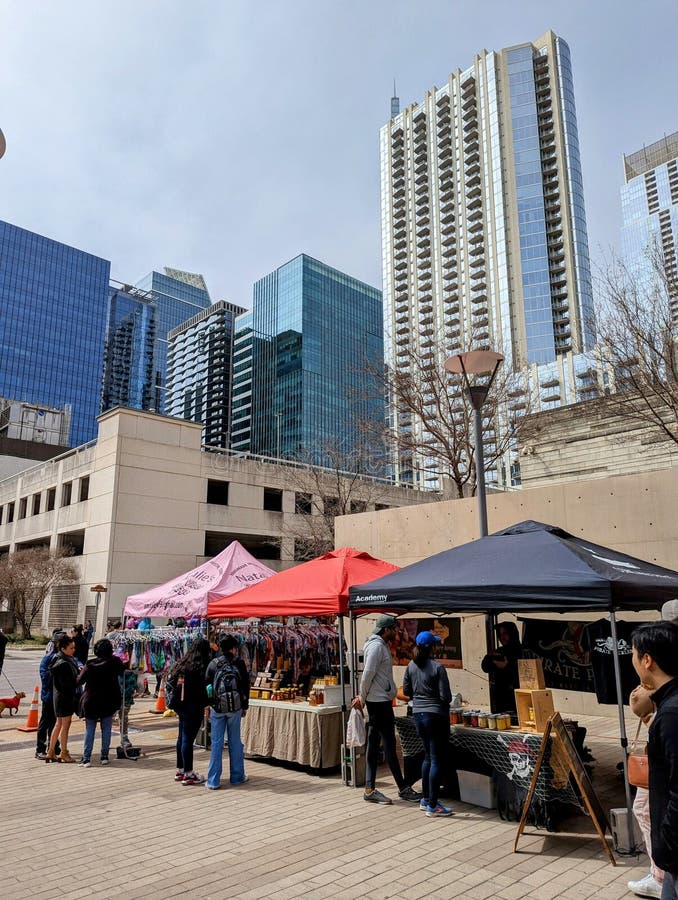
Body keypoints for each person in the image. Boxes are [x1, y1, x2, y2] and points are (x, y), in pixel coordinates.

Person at [352, 614, 422, 805]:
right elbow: (367, 674)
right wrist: (362, 697)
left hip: (379, 701)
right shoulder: (376, 646)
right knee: (389, 745)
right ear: (386, 630)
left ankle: (370, 788)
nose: (396, 631)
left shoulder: (378, 645)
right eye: (393, 628)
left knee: (375, 745)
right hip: (378, 703)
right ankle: (402, 788)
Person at [631, 620, 678, 900]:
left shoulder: (672, 714)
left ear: (647, 660)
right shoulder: (668, 703)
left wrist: (666, 846)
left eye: (634, 654)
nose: (633, 660)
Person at [402, 631, 454, 817]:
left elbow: (407, 691)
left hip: (418, 715)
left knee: (427, 757)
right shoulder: (437, 668)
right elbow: (446, 697)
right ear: (432, 647)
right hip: (436, 716)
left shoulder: (410, 666)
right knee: (436, 759)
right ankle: (433, 804)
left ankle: (425, 799)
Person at [205, 635, 250, 790]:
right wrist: (245, 706)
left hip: (217, 708)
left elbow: (208, 686)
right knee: (235, 741)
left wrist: (209, 704)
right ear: (233, 648)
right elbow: (245, 685)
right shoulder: (239, 663)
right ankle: (237, 777)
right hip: (235, 708)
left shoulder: (213, 664)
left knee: (216, 743)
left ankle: (213, 780)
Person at [168, 636, 212, 785]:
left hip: (181, 705)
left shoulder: (182, 663)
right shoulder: (202, 666)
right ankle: (188, 773)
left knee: (181, 737)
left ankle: (180, 770)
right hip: (194, 706)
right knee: (188, 738)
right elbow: (205, 688)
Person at [76, 638, 124, 767]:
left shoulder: (90, 664)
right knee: (106, 728)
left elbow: (79, 681)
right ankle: (104, 756)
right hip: (109, 699)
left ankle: (86, 758)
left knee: (90, 728)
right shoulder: (115, 662)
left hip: (91, 700)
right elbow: (123, 671)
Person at [46, 634, 80, 763]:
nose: (73, 650)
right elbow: (69, 683)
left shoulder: (57, 659)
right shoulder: (64, 663)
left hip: (58, 696)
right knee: (65, 725)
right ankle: (63, 753)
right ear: (64, 649)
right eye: (71, 648)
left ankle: (51, 751)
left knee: (58, 724)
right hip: (65, 697)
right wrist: (79, 678)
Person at [481, 621, 523, 716]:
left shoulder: (521, 651)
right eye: (500, 634)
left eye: (505, 634)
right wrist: (493, 660)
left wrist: (507, 666)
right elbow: (485, 667)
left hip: (518, 697)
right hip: (501, 698)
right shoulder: (500, 651)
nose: (502, 637)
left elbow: (524, 670)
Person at [35, 630, 65, 759]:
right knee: (45, 722)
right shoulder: (49, 659)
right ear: (58, 644)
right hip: (49, 696)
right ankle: (40, 749)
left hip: (59, 696)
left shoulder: (64, 657)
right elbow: (45, 677)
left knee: (55, 722)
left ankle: (53, 746)